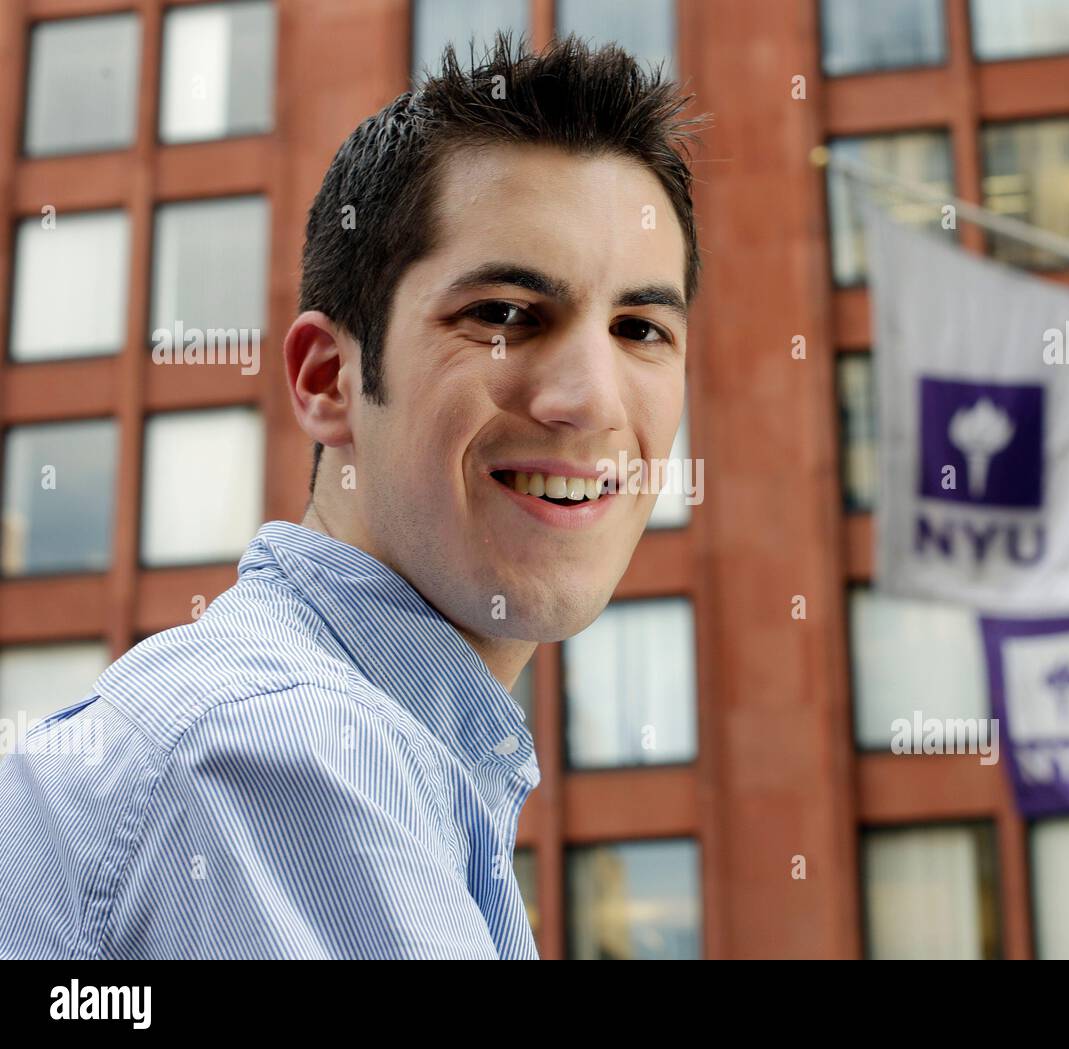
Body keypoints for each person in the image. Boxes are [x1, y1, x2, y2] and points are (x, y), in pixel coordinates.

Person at [0, 31, 704, 960]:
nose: (590, 400)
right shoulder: (282, 753)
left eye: (640, 328)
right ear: (328, 379)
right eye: (501, 314)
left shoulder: (392, 762)